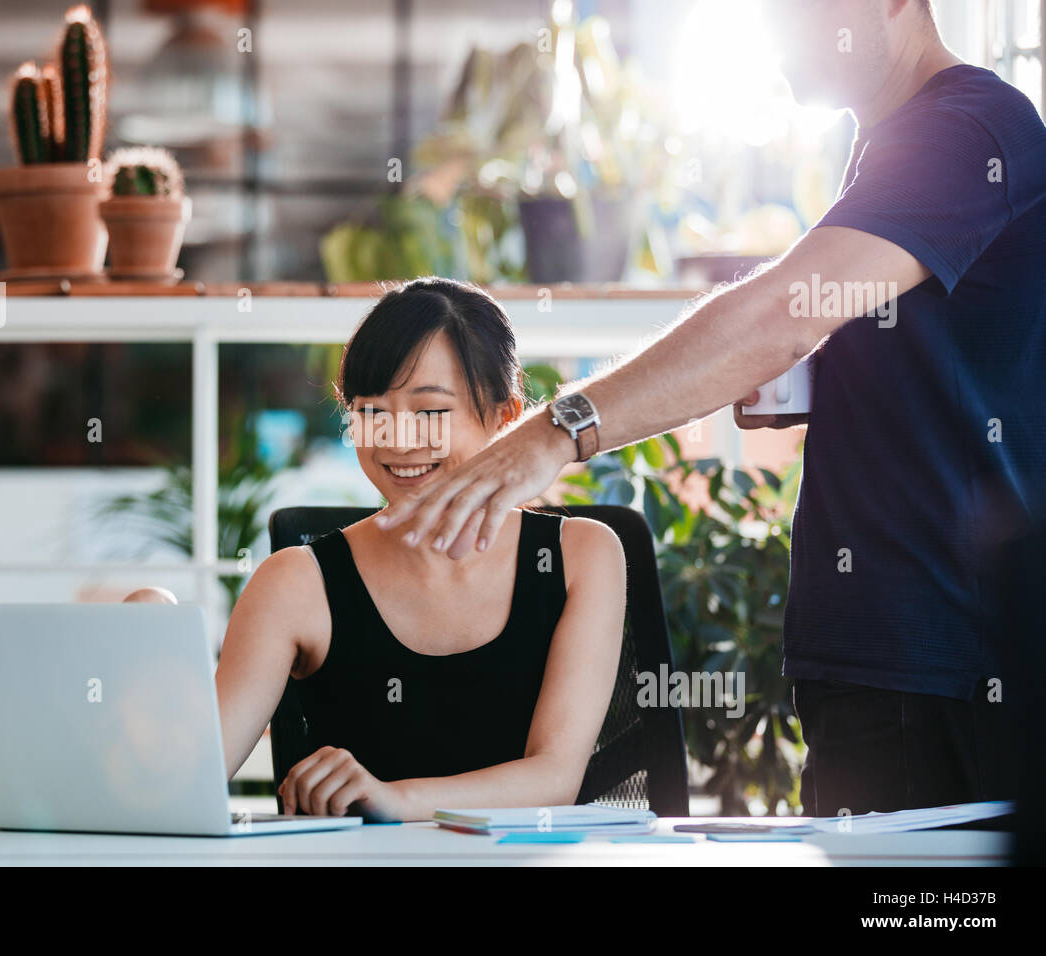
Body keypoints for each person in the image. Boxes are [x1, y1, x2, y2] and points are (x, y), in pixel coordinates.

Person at [376, 0, 1046, 815]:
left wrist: (559, 432)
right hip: (881, 657)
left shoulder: (966, 129)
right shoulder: (886, 142)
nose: (769, 31)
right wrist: (817, 385)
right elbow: (927, 355)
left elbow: (783, 313)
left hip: (944, 660)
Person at [130, 278, 626, 820]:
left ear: (505, 418)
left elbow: (554, 777)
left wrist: (396, 798)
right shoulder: (295, 582)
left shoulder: (582, 556)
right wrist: (147, 660)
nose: (396, 439)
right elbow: (188, 777)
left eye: (430, 411)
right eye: (371, 412)